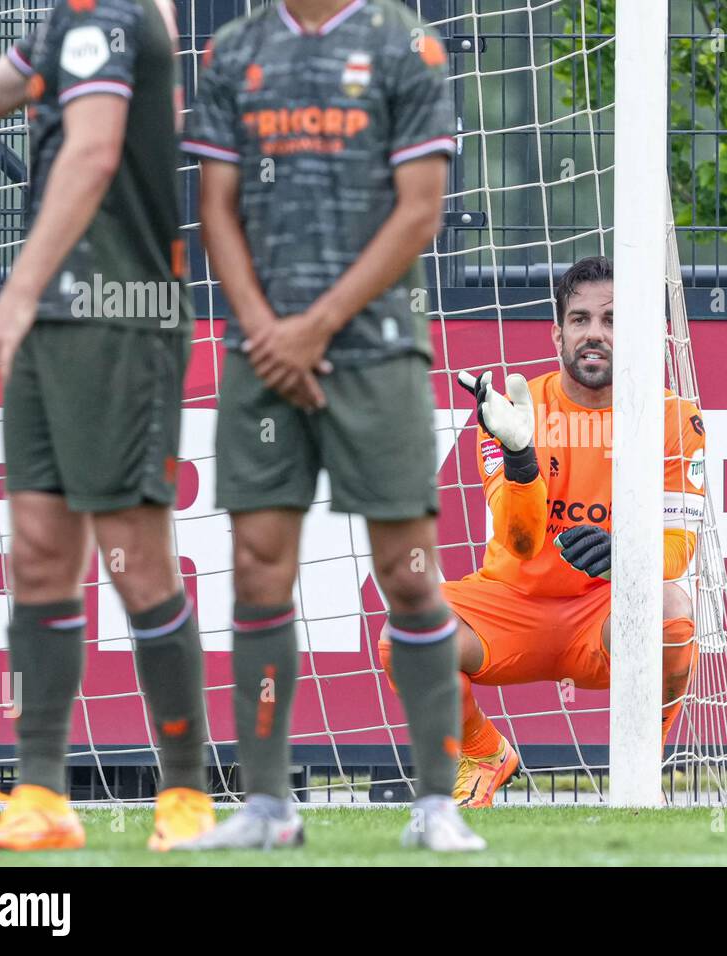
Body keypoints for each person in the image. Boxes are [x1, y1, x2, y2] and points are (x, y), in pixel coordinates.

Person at [181, 0, 482, 851]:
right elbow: (218, 209)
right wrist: (267, 333)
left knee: (411, 573)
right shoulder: (234, 49)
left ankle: (436, 802)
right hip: (261, 358)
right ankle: (269, 807)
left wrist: (315, 327)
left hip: (379, 353)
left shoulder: (406, 46)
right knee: (258, 569)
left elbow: (420, 212)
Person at [0, 0, 212, 850]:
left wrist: (11, 297)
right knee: (42, 550)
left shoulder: (109, 12)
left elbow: (92, 152)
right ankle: (41, 795)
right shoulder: (68, 18)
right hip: (57, 320)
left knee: (135, 555)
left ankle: (187, 797)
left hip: (119, 316)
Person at [380, 256, 706, 807]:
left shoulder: (676, 418)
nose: (595, 334)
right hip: (512, 607)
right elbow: (521, 540)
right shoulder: (513, 411)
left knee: (675, 608)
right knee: (404, 633)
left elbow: (678, 549)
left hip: (604, 616)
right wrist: (521, 456)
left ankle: (641, 761)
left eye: (612, 320)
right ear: (558, 332)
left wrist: (626, 557)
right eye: (580, 319)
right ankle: (483, 752)